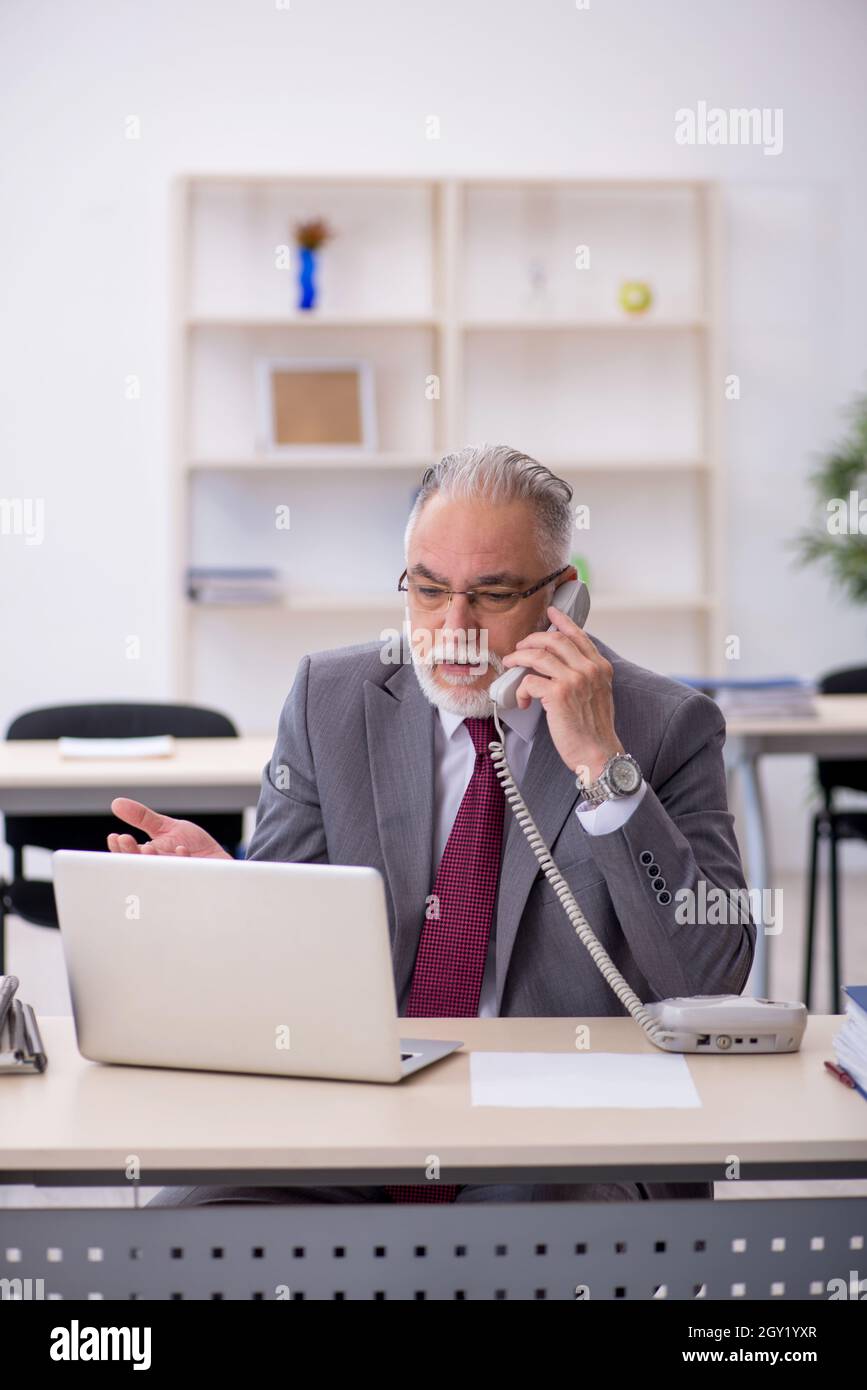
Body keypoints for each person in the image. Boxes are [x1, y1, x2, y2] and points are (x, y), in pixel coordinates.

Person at [108, 444, 754, 1207]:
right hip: (358, 1118)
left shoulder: (663, 726)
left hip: (564, 1135)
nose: (454, 628)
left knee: (511, 1241)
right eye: (428, 589)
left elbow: (709, 977)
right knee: (190, 1222)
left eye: (492, 593)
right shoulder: (330, 699)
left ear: (564, 600)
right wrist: (234, 899)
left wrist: (602, 768)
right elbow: (294, 973)